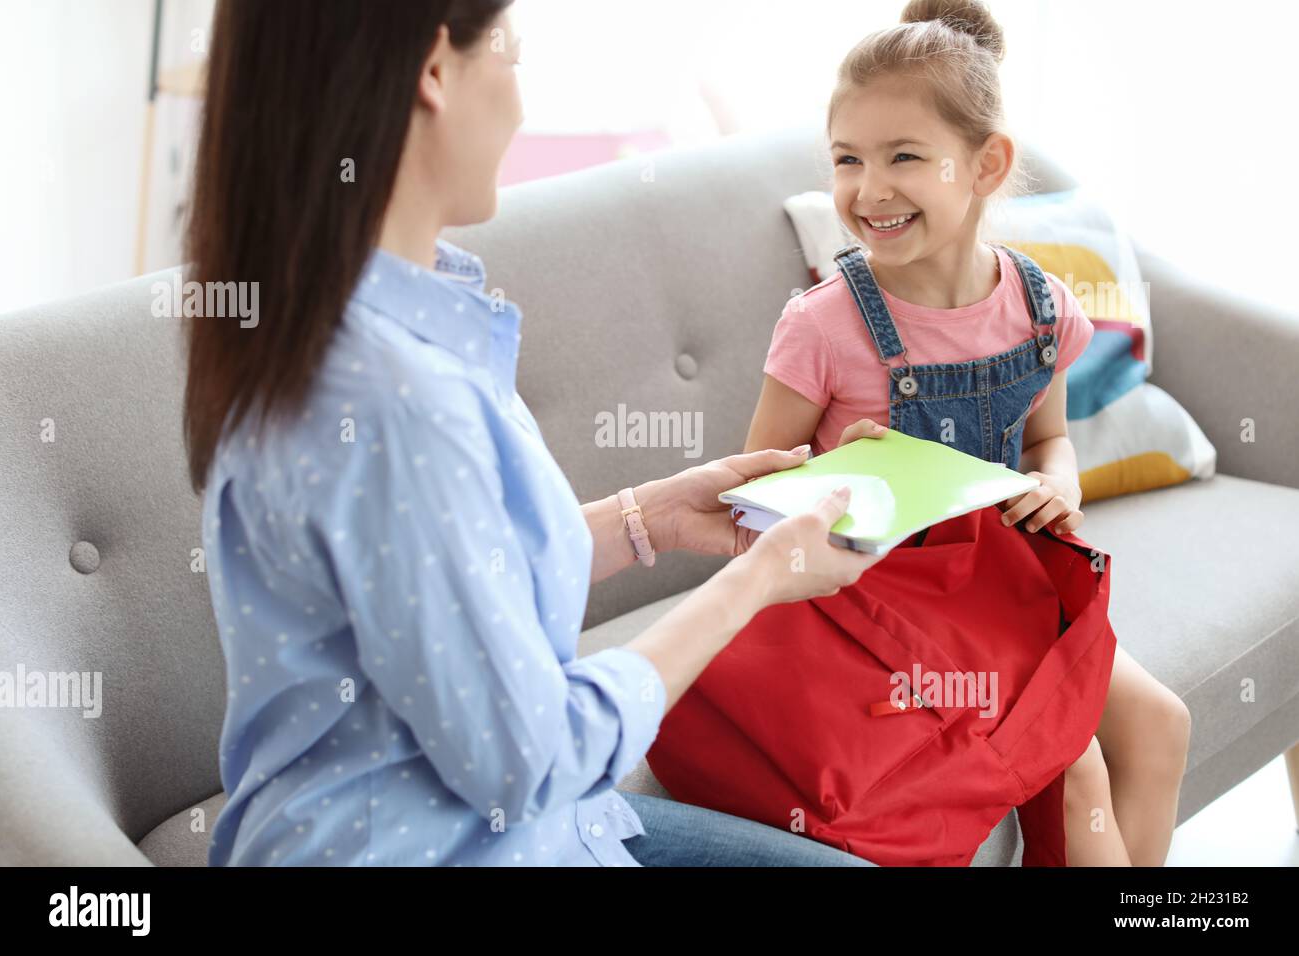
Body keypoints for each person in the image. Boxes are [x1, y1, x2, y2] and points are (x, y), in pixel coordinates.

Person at [183, 0, 879, 866]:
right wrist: (763, 577)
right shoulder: (396, 399)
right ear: (435, 71)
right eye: (512, 59)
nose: (518, 105)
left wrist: (650, 515)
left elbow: (452, 588)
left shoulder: (361, 325)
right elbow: (534, 758)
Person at [743, 0, 1190, 864]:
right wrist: (832, 475)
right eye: (848, 159)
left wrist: (1059, 484)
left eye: (904, 156)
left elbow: (1046, 444)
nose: (868, 189)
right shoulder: (821, 326)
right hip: (879, 605)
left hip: (1006, 586)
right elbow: (753, 491)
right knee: (1080, 766)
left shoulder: (1039, 306)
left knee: (1161, 724)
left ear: (987, 165)